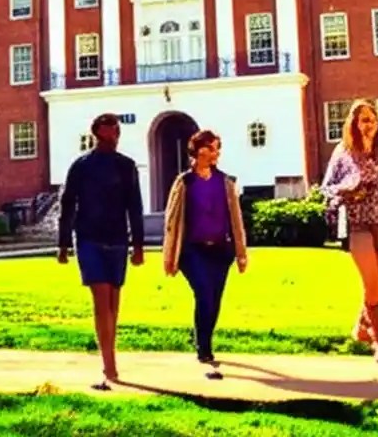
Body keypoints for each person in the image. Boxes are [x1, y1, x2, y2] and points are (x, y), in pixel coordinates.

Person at [57, 112, 145, 390]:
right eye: (107, 133)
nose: (113, 138)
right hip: (89, 239)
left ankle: (110, 354)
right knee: (101, 300)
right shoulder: (81, 166)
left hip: (118, 240)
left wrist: (139, 245)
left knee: (113, 304)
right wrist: (62, 244)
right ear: (96, 135)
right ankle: (109, 364)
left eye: (116, 132)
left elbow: (135, 207)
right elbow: (68, 204)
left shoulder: (127, 166)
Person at [319, 99, 378, 367]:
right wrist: (348, 190)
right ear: (354, 124)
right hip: (357, 221)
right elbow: (327, 188)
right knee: (372, 285)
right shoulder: (344, 151)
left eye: (372, 119)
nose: (369, 124)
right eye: (363, 120)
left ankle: (360, 325)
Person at [160, 129, 249, 376]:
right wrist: (169, 256)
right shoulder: (184, 182)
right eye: (211, 147)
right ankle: (203, 347)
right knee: (204, 293)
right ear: (199, 151)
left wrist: (241, 253)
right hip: (193, 250)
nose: (215, 153)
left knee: (215, 298)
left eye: (217, 148)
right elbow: (172, 220)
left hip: (221, 250)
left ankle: (204, 339)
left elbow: (236, 219)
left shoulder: (226, 182)